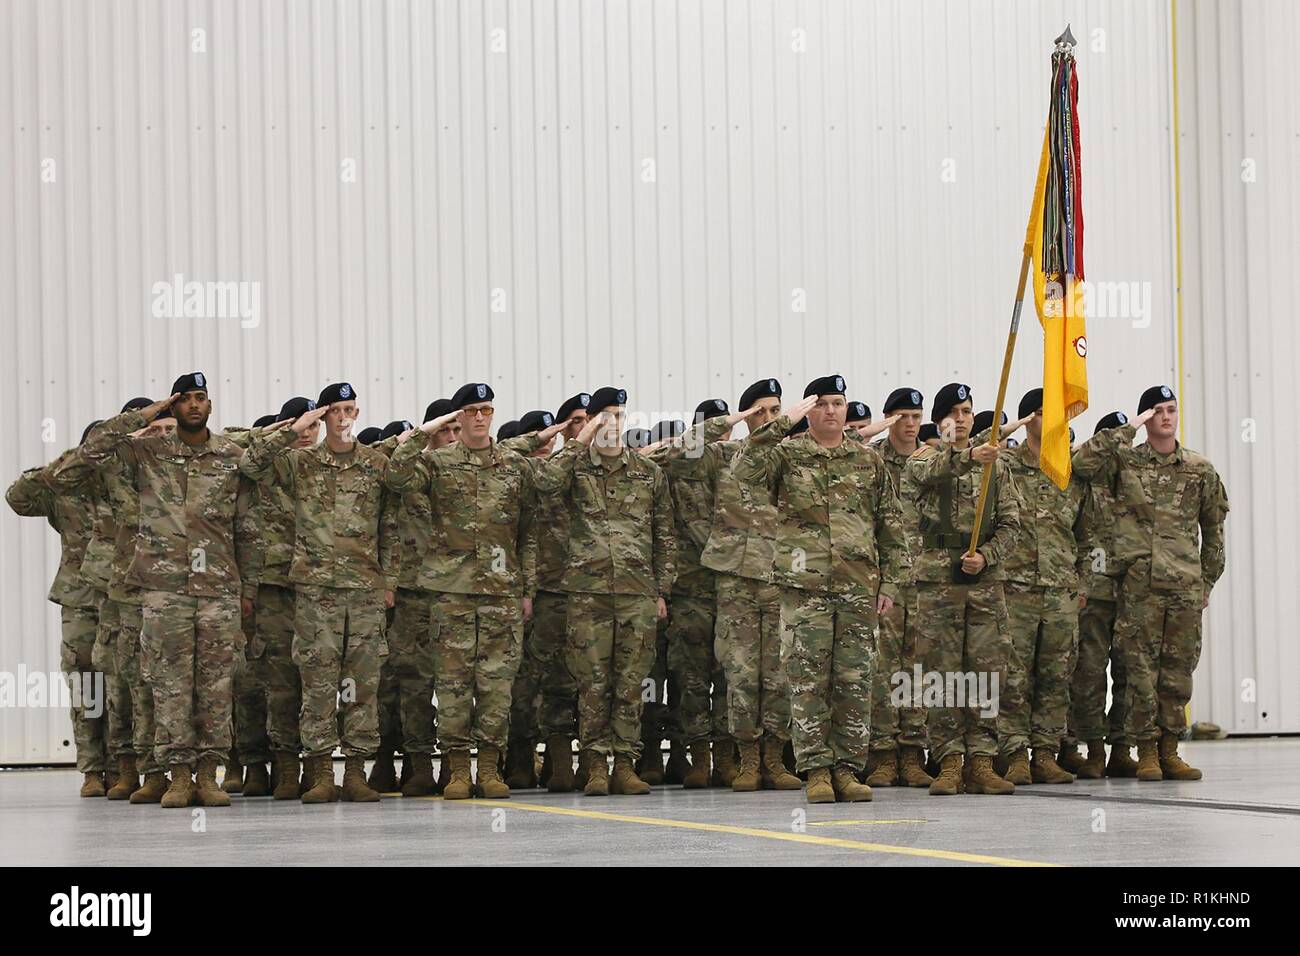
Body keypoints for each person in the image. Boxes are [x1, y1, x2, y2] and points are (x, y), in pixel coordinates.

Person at [76, 375, 260, 808]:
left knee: (216, 685)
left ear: (210, 405)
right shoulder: (147, 452)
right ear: (172, 408)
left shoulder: (232, 457)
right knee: (169, 683)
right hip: (164, 590)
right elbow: (94, 449)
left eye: (201, 398)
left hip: (218, 588)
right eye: (185, 399)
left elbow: (247, 528)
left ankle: (208, 775)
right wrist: (144, 415)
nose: (194, 405)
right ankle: (178, 775)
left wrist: (247, 588)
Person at [733, 375, 910, 804]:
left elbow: (890, 526)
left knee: (854, 682)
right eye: (822, 404)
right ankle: (815, 770)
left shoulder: (868, 462)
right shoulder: (787, 455)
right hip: (804, 589)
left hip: (857, 589)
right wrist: (782, 423)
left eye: (837, 403)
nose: (831, 411)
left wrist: (890, 583)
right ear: (809, 411)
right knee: (807, 681)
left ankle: (847, 770)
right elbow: (743, 470)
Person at [240, 382, 399, 804]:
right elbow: (251, 464)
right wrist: (295, 428)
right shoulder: (301, 462)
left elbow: (389, 526)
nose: (343, 417)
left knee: (363, 684)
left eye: (350, 409)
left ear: (357, 414)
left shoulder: (375, 464)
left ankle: (356, 773)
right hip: (315, 591)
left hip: (364, 591)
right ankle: (322, 773)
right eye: (335, 410)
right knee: (318, 682)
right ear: (324, 416)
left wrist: (389, 582)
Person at [384, 383, 538, 800]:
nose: (480, 417)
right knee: (452, 683)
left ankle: (488, 768)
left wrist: (527, 588)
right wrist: (424, 431)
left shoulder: (514, 466)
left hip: (501, 592)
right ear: (458, 417)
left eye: (486, 410)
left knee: (496, 683)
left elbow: (528, 532)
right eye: (471, 411)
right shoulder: (436, 463)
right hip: (450, 591)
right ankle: (456, 770)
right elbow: (395, 475)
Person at [1070, 386, 1228, 780]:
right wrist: (1129, 427)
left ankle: (1170, 750)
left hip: (1184, 586)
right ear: (1145, 417)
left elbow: (1214, 528)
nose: (1166, 417)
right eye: (1157, 411)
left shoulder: (1199, 469)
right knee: (1139, 672)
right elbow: (1083, 464)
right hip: (1139, 587)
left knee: (1177, 672)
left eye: (1171, 409)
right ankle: (1146, 752)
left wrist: (1207, 581)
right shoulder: (1126, 461)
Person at [534, 387, 676, 796]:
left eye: (619, 415)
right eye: (605, 416)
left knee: (631, 682)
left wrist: (661, 590)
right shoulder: (574, 468)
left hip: (637, 594)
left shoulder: (647, 472)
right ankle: (595, 764)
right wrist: (580, 440)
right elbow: (544, 482)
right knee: (592, 683)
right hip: (588, 594)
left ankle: (625, 763)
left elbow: (664, 536)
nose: (613, 422)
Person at [903, 382, 1022, 796]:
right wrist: (968, 455)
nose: (961, 418)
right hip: (938, 582)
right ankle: (949, 760)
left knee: (987, 671)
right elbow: (930, 473)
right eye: (953, 412)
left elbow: (1012, 523)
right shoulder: (923, 458)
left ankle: (982, 760)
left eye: (967, 411)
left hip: (984, 583)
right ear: (940, 421)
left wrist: (987, 556)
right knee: (942, 673)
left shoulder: (997, 467)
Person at [864, 387, 934, 788]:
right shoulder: (872, 459)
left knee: (918, 669)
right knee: (883, 668)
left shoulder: (933, 460)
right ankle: (883, 755)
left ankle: (912, 754)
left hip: (925, 579)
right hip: (884, 580)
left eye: (916, 416)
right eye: (902, 416)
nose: (910, 424)